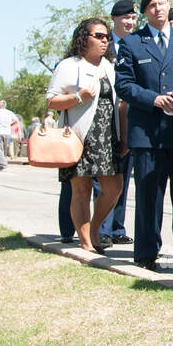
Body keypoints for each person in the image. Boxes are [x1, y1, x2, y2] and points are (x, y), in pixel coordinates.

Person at [115, 0, 173, 272]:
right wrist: (154, 99)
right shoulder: (132, 43)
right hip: (147, 132)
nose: (158, 9)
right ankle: (146, 251)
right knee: (149, 194)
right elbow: (124, 85)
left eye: (162, 3)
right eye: (152, 5)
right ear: (145, 11)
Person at [46, 19, 126, 253]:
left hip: (108, 136)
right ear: (84, 38)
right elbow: (51, 101)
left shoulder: (110, 67)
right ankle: (85, 241)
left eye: (107, 37)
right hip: (80, 136)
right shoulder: (68, 66)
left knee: (115, 187)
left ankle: (94, 229)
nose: (104, 41)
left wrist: (124, 136)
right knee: (81, 190)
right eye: (98, 36)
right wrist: (79, 96)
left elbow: (121, 104)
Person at [98, 0, 138, 245]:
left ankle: (117, 228)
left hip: (130, 117)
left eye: (133, 18)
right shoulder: (104, 44)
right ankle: (101, 226)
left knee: (124, 176)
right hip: (106, 119)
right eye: (126, 18)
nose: (130, 22)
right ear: (114, 19)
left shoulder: (136, 44)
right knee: (105, 177)